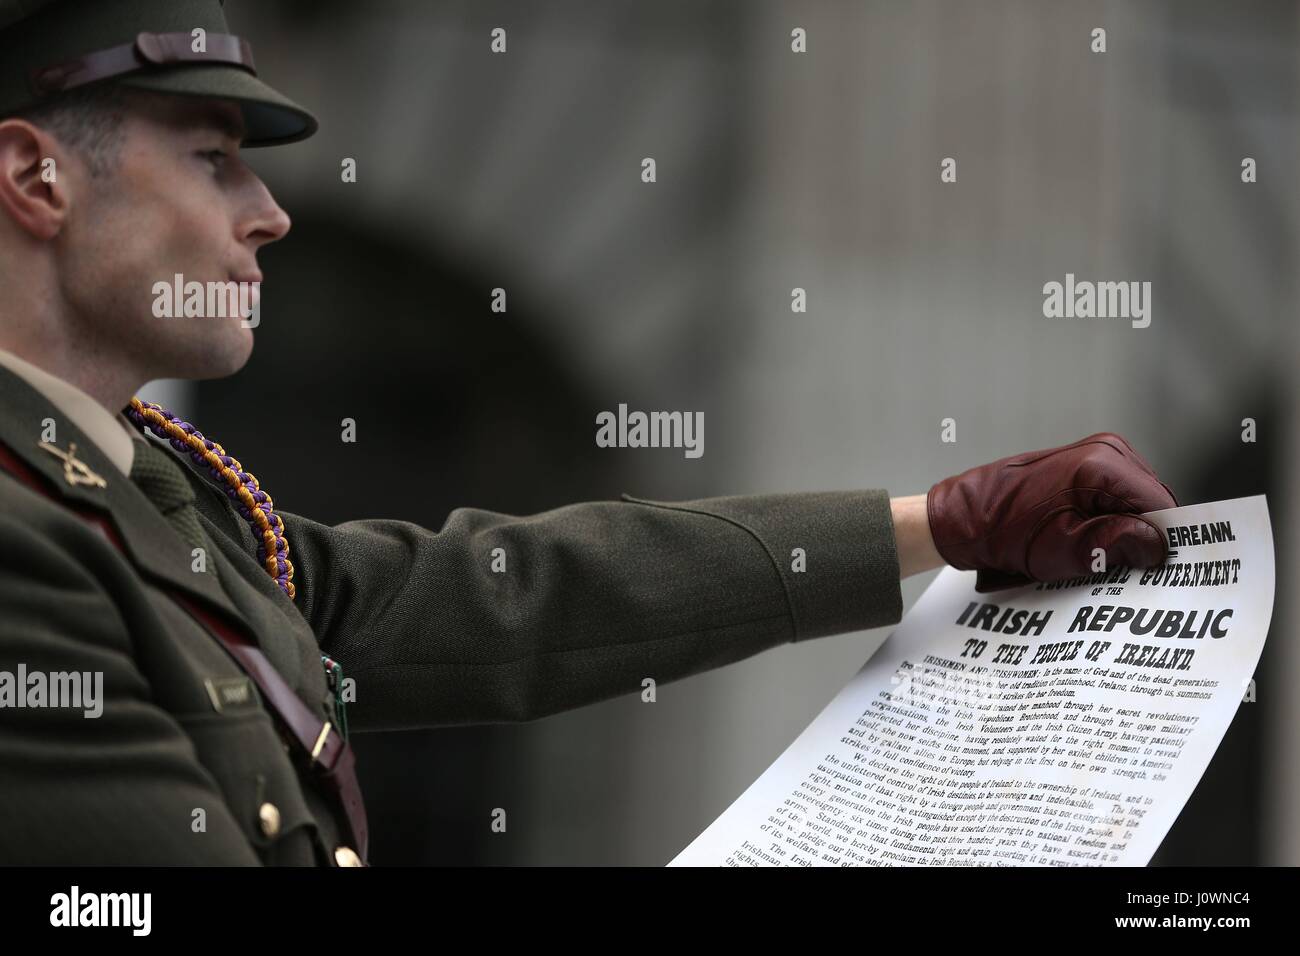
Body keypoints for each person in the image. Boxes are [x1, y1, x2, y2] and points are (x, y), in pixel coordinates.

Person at [0, 0, 1178, 866]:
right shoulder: (23, 537)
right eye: (213, 161)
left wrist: (944, 525)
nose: (267, 213)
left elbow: (501, 596)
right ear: (33, 177)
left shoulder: (148, 485)